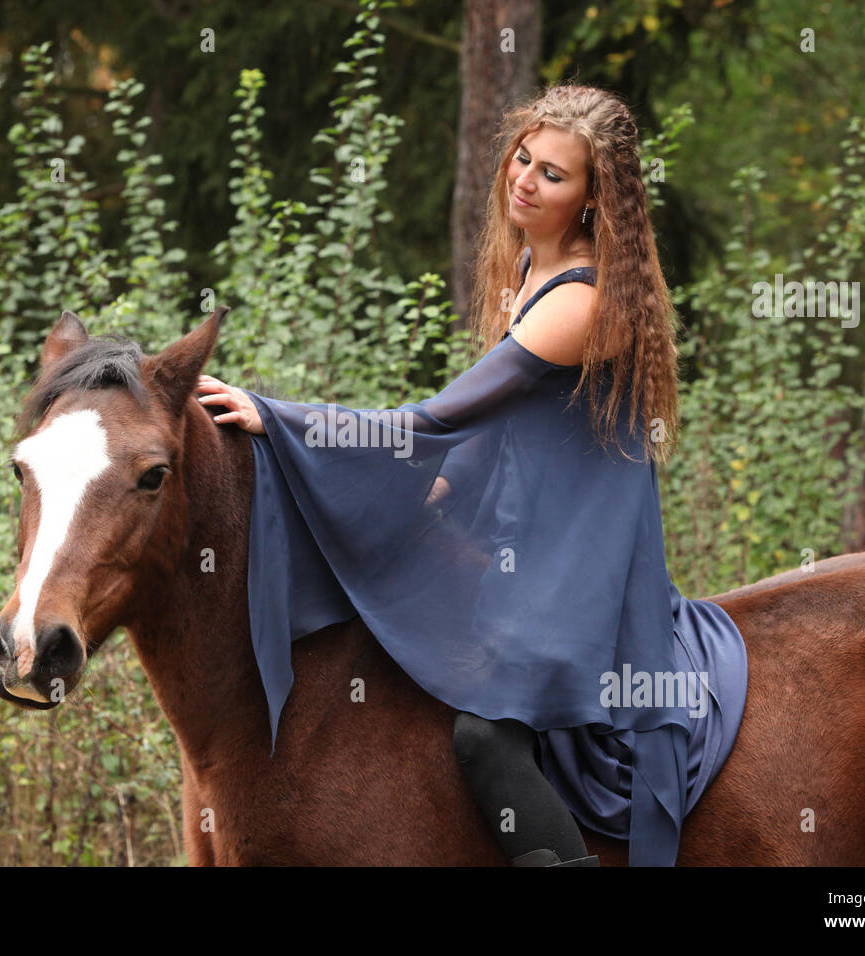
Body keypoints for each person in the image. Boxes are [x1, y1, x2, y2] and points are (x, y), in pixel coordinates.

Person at [197, 85, 746, 867]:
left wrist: (279, 417)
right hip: (525, 541)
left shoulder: (580, 301)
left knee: (485, 737)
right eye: (523, 157)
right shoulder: (525, 270)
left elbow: (438, 420)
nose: (525, 179)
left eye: (554, 174)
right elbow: (487, 443)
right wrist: (414, 507)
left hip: (577, 558)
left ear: (595, 199)